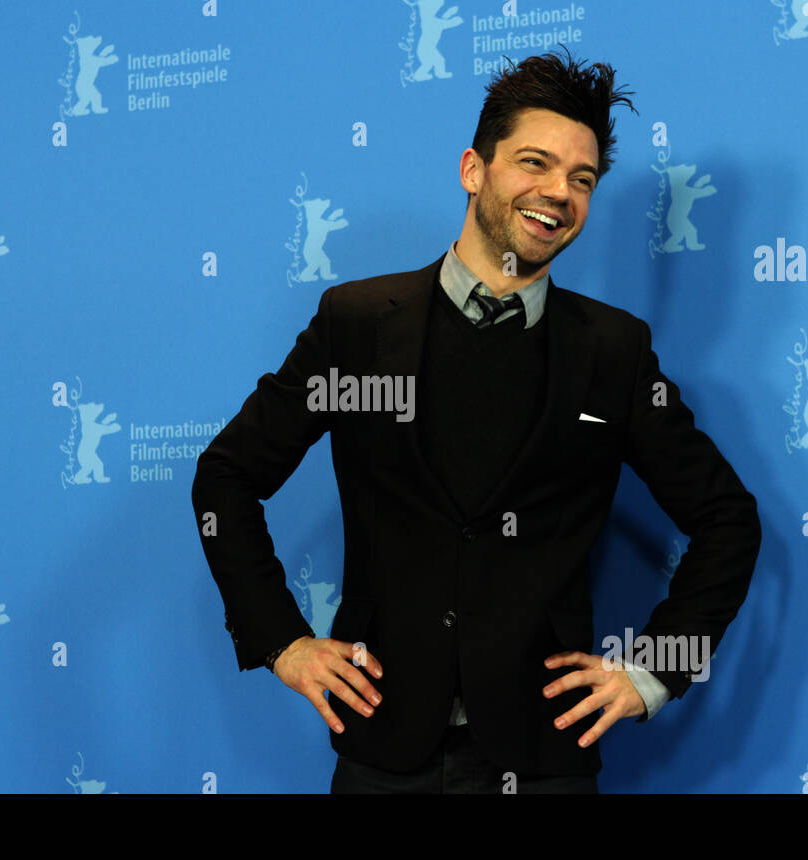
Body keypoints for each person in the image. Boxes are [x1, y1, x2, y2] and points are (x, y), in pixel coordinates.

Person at [191, 49, 761, 794]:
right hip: (383, 756)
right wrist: (283, 640)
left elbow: (728, 520)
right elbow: (226, 476)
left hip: (544, 757)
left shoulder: (613, 353)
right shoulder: (357, 326)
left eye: (582, 179)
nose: (559, 192)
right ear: (474, 169)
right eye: (536, 163)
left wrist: (654, 670)